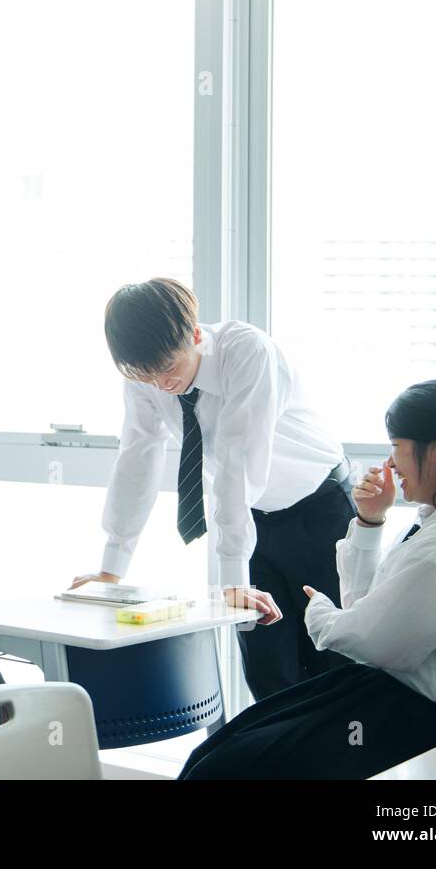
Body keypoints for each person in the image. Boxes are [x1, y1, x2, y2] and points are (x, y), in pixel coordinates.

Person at [180, 380, 436, 779]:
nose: (392, 462)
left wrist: (318, 612)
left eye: (397, 446)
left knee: (222, 768)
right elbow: (368, 608)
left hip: (415, 719)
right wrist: (369, 519)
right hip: (395, 697)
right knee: (221, 749)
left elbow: (369, 642)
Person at [70, 278, 353, 699]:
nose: (161, 385)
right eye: (146, 376)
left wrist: (232, 575)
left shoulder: (247, 352)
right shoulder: (144, 376)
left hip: (320, 511)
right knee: (268, 673)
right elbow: (138, 459)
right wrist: (112, 568)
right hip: (251, 521)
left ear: (196, 336)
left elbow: (238, 465)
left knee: (336, 663)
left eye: (168, 369)